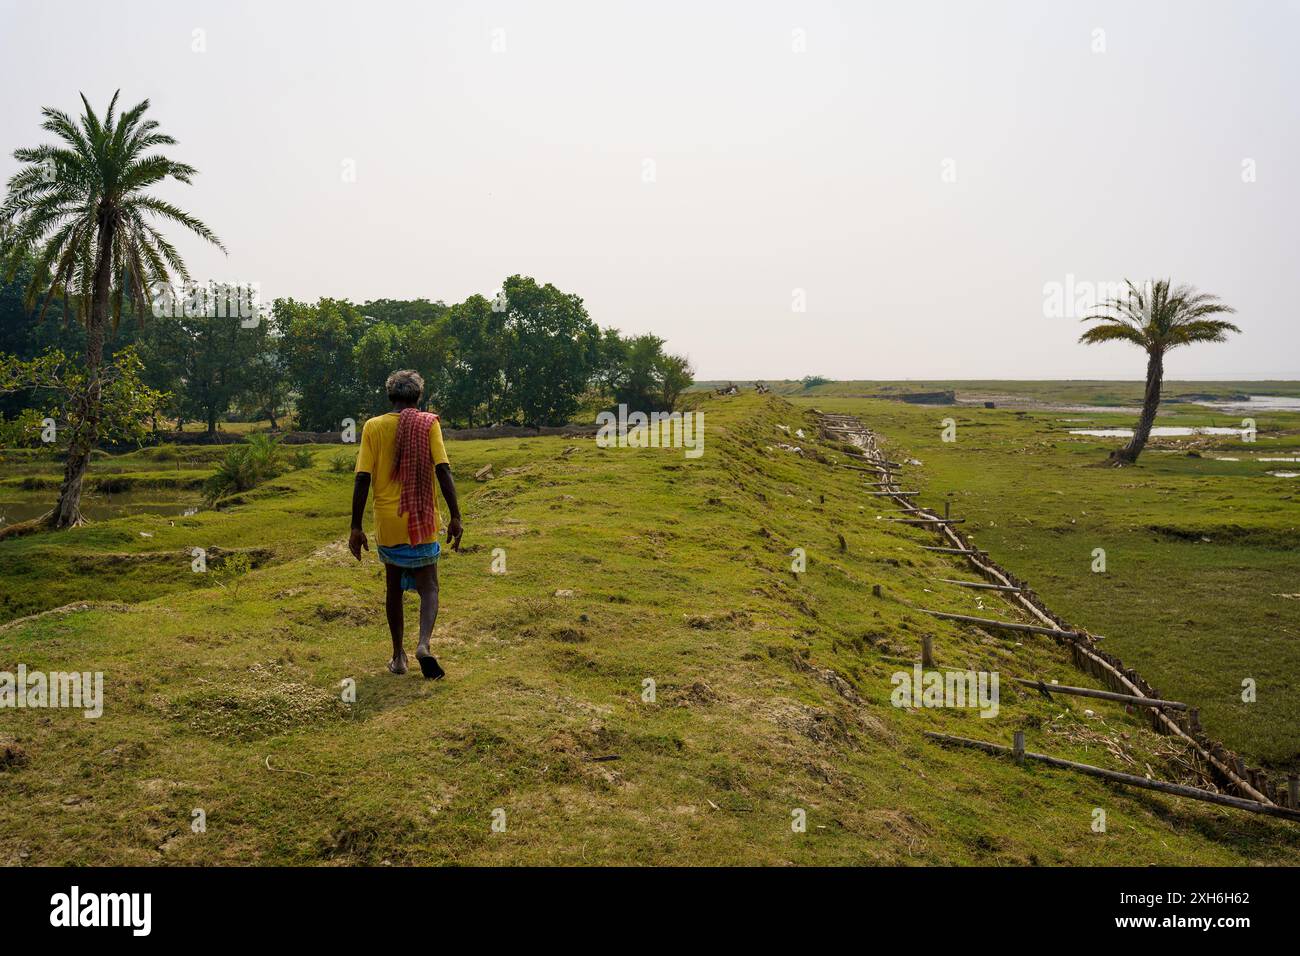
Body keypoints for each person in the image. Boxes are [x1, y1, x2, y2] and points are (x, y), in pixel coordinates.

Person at [349, 370, 463, 678]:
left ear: (390, 395)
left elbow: (362, 477)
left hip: (388, 522)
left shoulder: (373, 426)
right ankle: (423, 644)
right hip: (422, 518)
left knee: (393, 588)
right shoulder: (429, 424)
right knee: (429, 587)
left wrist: (355, 527)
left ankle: (398, 657)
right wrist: (456, 515)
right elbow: (443, 470)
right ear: (418, 397)